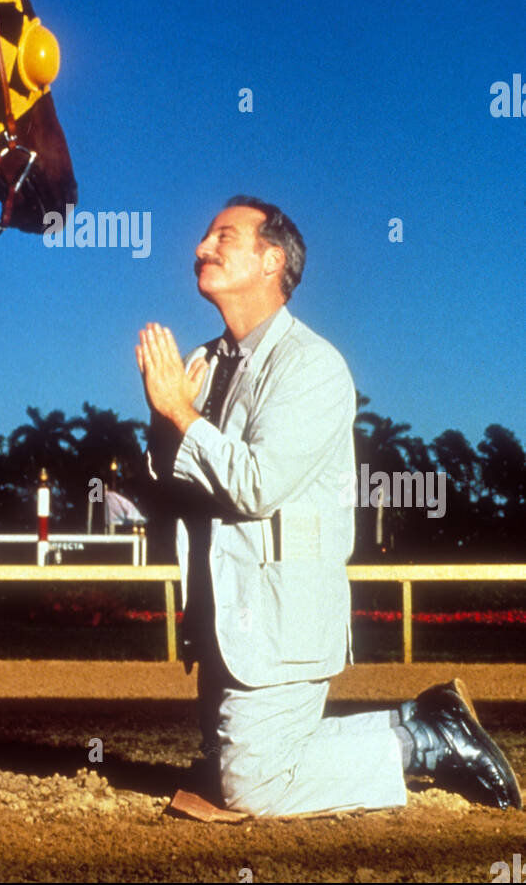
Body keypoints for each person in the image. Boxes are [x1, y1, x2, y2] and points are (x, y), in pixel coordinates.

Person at [135, 195, 521, 817]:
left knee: (253, 784)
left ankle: (427, 743)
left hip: (282, 615)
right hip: (226, 617)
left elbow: (256, 485)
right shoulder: (204, 363)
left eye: (223, 237)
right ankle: (427, 721)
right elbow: (177, 486)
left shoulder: (313, 367)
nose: (201, 248)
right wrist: (165, 418)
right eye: (206, 238)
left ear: (271, 261)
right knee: (235, 758)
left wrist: (180, 413)